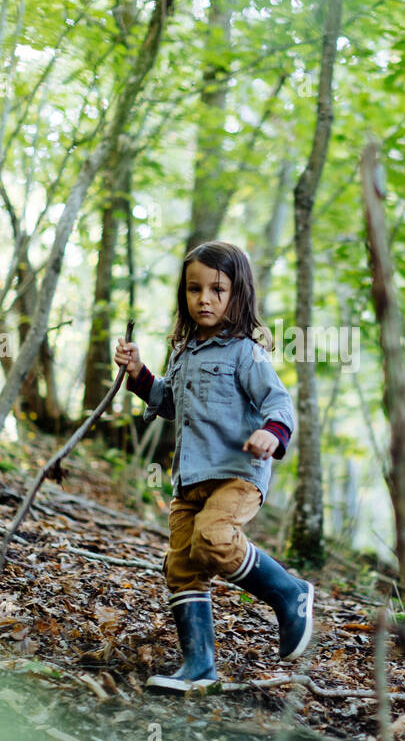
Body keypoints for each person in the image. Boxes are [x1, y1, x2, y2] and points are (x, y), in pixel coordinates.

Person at [114, 241, 313, 693]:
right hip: (189, 481)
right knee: (183, 565)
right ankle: (200, 666)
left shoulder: (246, 353)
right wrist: (139, 372)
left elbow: (278, 401)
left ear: (237, 295)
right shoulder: (183, 353)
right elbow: (167, 401)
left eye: (217, 289)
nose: (204, 299)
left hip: (236, 474)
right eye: (194, 289)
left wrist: (272, 433)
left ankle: (288, 592)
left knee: (213, 540)